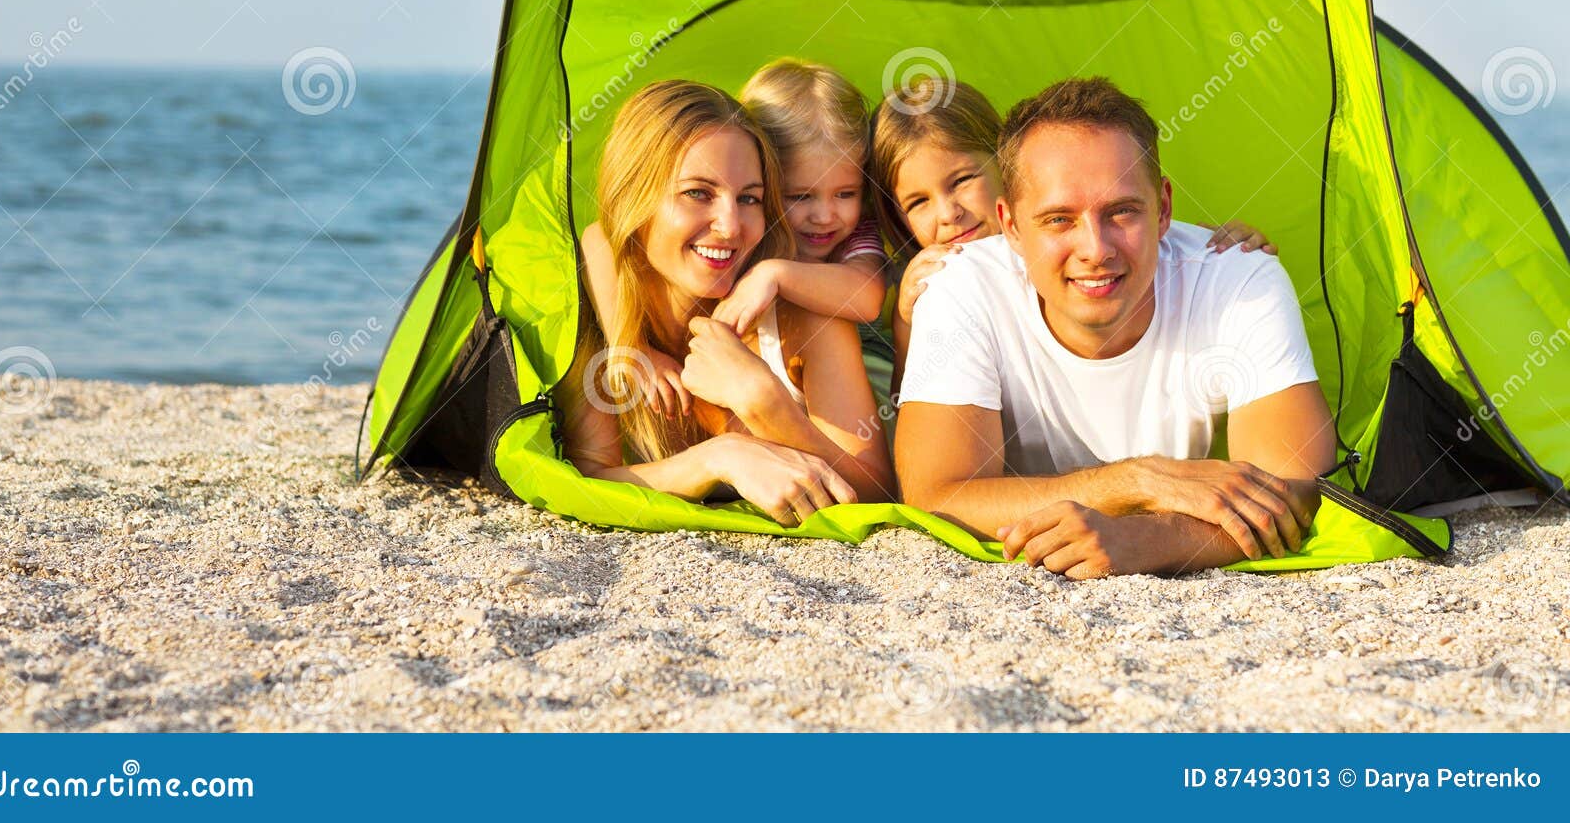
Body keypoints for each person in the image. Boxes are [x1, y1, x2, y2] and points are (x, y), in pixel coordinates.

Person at [893, 77, 1334, 578]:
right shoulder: (960, 285)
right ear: (1011, 226)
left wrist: (1144, 540)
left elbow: (1294, 489)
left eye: (1121, 211)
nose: (1096, 249)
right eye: (1059, 219)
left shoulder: (1240, 278)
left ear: (1164, 207)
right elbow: (937, 495)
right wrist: (1135, 483)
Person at [558, 80, 894, 526]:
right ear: (634, 198)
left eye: (749, 198)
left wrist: (764, 403)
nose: (731, 225)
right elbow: (589, 477)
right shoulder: (593, 305)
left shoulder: (805, 311)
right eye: (697, 192)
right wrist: (721, 457)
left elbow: (877, 493)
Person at [869, 79, 1278, 398]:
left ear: (1007, 170)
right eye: (917, 202)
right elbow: (913, 417)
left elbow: (1144, 232)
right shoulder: (929, 287)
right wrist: (906, 321)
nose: (948, 213)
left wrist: (1225, 249)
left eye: (962, 180)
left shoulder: (1081, 239)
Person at [583, 58, 888, 416]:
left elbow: (866, 297)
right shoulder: (747, 233)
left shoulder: (855, 234)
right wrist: (631, 347)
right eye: (800, 196)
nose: (824, 217)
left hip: (871, 369)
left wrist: (773, 275)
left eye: (846, 193)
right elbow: (600, 237)